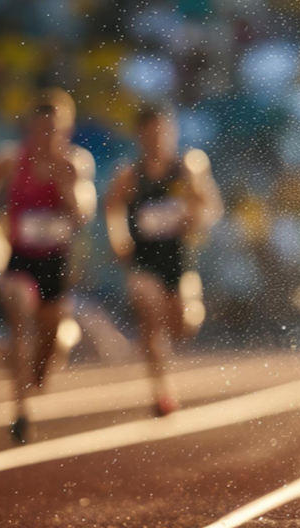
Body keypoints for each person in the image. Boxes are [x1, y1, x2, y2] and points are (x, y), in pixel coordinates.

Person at [0, 88, 96, 443]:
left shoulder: (75, 164)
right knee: (17, 313)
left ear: (66, 130)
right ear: (30, 127)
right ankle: (20, 410)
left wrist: (64, 184)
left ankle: (37, 376)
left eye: (54, 130)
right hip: (21, 259)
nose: (46, 137)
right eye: (40, 129)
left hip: (56, 262)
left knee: (49, 341)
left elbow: (82, 215)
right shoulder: (13, 159)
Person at [104, 103, 223, 415]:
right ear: (140, 134)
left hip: (179, 258)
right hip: (144, 259)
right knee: (149, 312)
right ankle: (162, 393)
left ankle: (161, 358)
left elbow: (211, 207)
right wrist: (119, 240)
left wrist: (194, 218)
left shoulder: (188, 166)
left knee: (184, 326)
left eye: (164, 131)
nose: (158, 138)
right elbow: (112, 207)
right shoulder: (129, 174)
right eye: (151, 132)